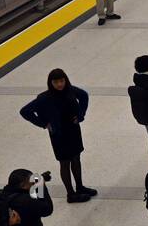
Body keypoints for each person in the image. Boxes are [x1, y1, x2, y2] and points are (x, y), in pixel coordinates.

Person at [20, 68, 96, 203]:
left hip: (73, 130)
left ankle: (79, 187)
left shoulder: (71, 90)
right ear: (51, 83)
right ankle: (70, 194)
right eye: (56, 82)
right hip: (58, 134)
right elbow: (25, 111)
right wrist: (43, 124)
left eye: (62, 81)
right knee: (65, 162)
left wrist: (80, 115)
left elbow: (84, 95)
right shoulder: (44, 98)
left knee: (76, 158)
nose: (60, 84)